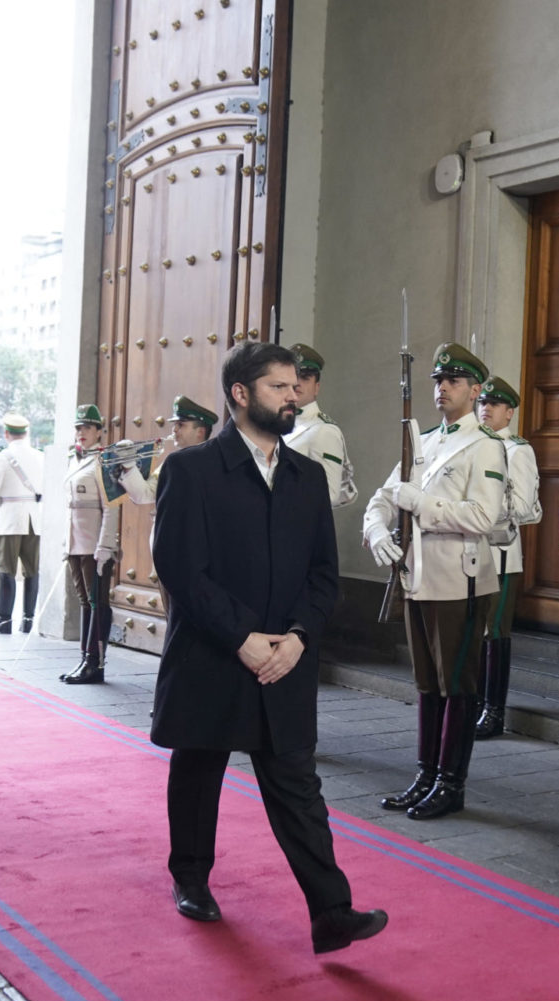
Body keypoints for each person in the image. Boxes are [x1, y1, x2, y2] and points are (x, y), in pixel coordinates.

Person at [151, 341, 387, 954]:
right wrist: (242, 638)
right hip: (213, 654)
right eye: (279, 387)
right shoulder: (192, 470)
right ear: (241, 393)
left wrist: (300, 637)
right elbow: (182, 569)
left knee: (297, 785)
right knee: (199, 770)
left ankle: (331, 912)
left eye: (295, 387)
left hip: (285, 659)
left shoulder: (307, 477)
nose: (293, 397)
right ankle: (191, 879)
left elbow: (324, 575)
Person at [364, 342, 507, 820]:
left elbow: (483, 516)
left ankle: (451, 782)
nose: (442, 388)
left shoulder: (485, 445)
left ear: (476, 390)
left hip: (459, 582)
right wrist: (377, 529)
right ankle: (426, 775)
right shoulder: (422, 441)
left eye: (453, 381)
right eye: (438, 381)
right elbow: (383, 498)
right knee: (427, 684)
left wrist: (421, 504)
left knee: (456, 685)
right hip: (419, 578)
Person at [474, 375, 542, 738]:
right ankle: (473, 703)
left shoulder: (517, 451)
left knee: (494, 631)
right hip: (468, 552)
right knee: (472, 630)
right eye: (482, 402)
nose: (486, 409)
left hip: (500, 553)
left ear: (509, 412)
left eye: (494, 404)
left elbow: (525, 507)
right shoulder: (472, 445)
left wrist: (483, 509)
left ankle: (494, 711)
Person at [62, 405, 119, 684]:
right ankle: (85, 659)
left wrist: (105, 546)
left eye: (86, 427)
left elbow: (111, 507)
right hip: (76, 543)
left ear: (99, 431)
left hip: (95, 544)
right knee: (85, 601)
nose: (81, 432)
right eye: (78, 428)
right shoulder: (74, 459)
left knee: (98, 602)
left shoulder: (104, 460)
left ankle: (96, 663)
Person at [0, 413, 45, 634]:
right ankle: (28, 620)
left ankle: (4, 621)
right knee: (32, 570)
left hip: (9, 519)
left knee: (5, 569)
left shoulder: (1, 457)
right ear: (26, 433)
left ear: (6, 433)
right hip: (34, 519)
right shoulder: (40, 456)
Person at [284, 344, 357, 508]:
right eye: (293, 377)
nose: (297, 383)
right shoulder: (276, 425)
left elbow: (329, 495)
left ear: (316, 387)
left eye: (305, 377)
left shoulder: (324, 431)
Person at [115, 395, 217, 508]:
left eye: (181, 425)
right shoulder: (174, 463)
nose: (174, 429)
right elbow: (144, 495)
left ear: (200, 432)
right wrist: (129, 465)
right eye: (174, 424)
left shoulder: (214, 464)